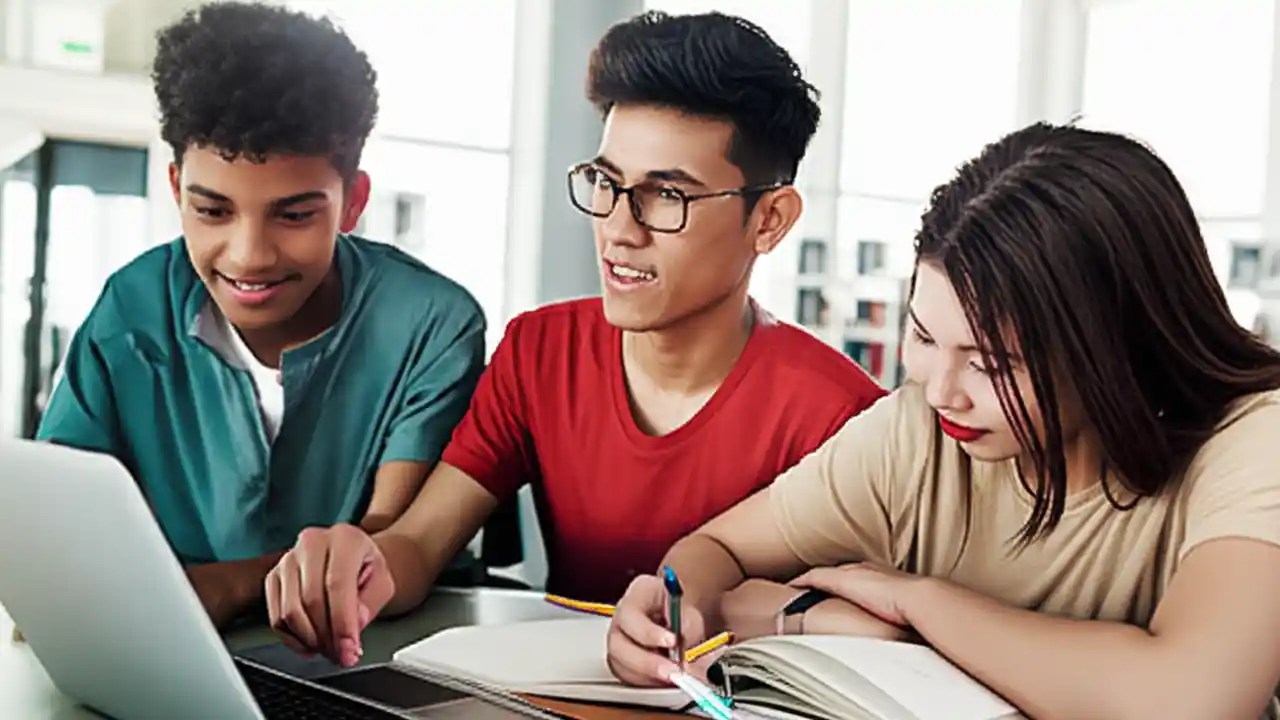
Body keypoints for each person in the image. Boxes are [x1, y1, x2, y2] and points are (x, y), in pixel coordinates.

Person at [265, 10, 885, 669]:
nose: (619, 228)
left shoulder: (843, 418)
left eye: (667, 196)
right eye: (607, 183)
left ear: (769, 220)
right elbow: (420, 544)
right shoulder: (540, 351)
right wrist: (359, 568)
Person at [606, 122, 1280, 718]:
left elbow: (1188, 701)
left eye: (990, 364)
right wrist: (672, 609)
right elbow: (715, 552)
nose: (941, 391)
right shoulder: (920, 432)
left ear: (1113, 349)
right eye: (924, 337)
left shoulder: (1254, 439)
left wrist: (917, 606)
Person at [36, 2, 485, 629]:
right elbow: (56, 519)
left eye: (294, 215)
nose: (249, 256)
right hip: (166, 645)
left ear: (352, 203)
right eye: (212, 211)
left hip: (371, 649)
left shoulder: (432, 325)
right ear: (176, 189)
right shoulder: (130, 307)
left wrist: (224, 586)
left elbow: (386, 544)